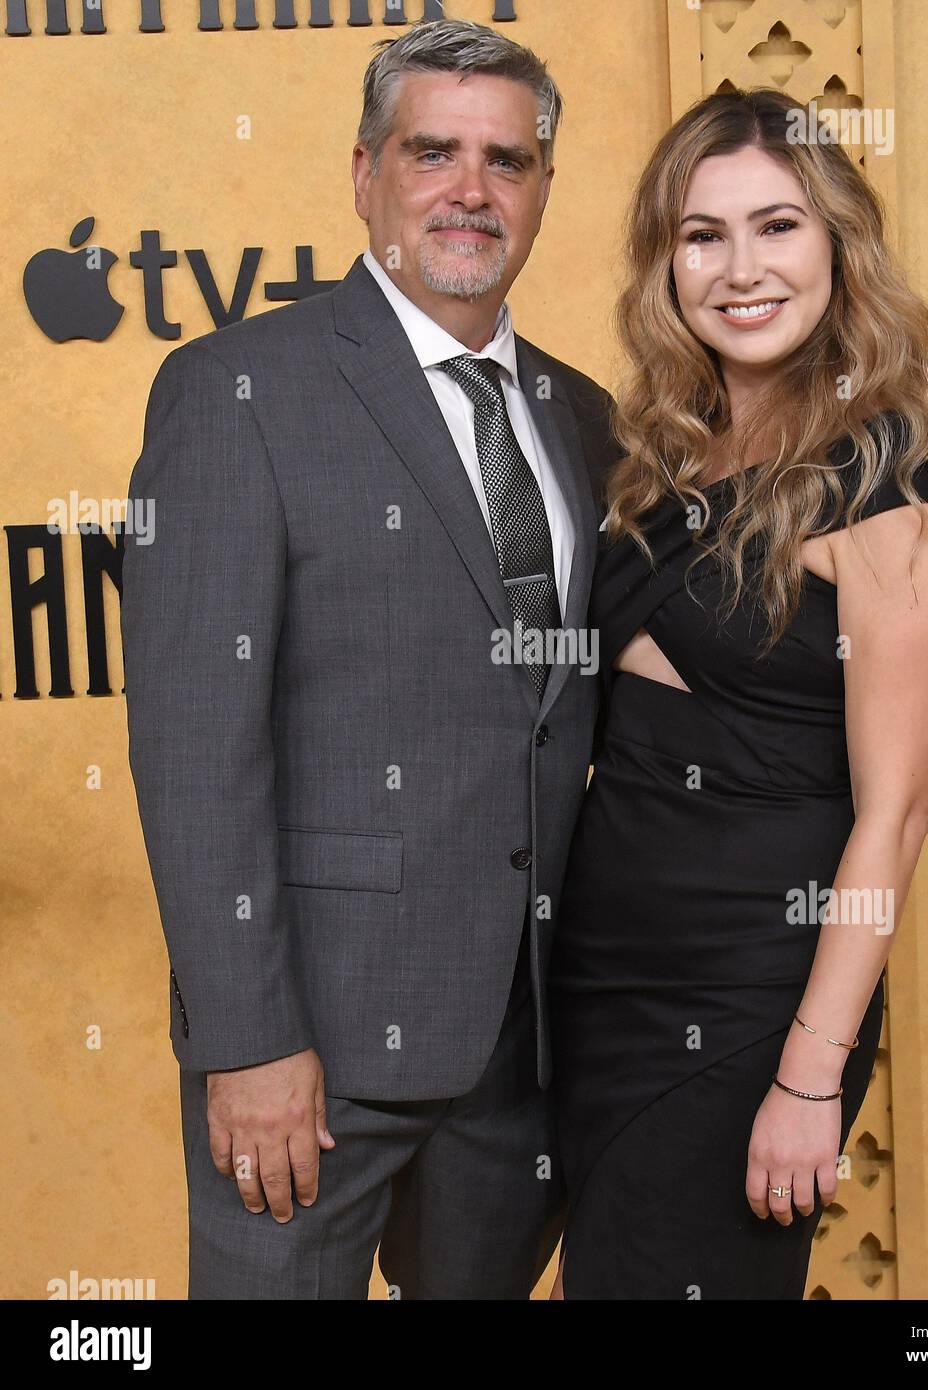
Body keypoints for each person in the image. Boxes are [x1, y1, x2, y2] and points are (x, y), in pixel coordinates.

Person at [122, 18, 619, 1300]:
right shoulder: (236, 391)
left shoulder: (583, 416)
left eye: (507, 162)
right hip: (311, 1056)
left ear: (545, 188)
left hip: (524, 1057)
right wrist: (246, 1041)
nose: (470, 190)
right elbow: (192, 748)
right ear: (363, 173)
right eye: (432, 152)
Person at [548, 88, 928, 1300]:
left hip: (746, 1005)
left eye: (776, 226)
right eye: (702, 235)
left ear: (838, 248)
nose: (739, 269)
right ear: (664, 263)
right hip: (595, 983)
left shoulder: (895, 490)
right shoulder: (661, 459)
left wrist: (807, 1075)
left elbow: (893, 815)